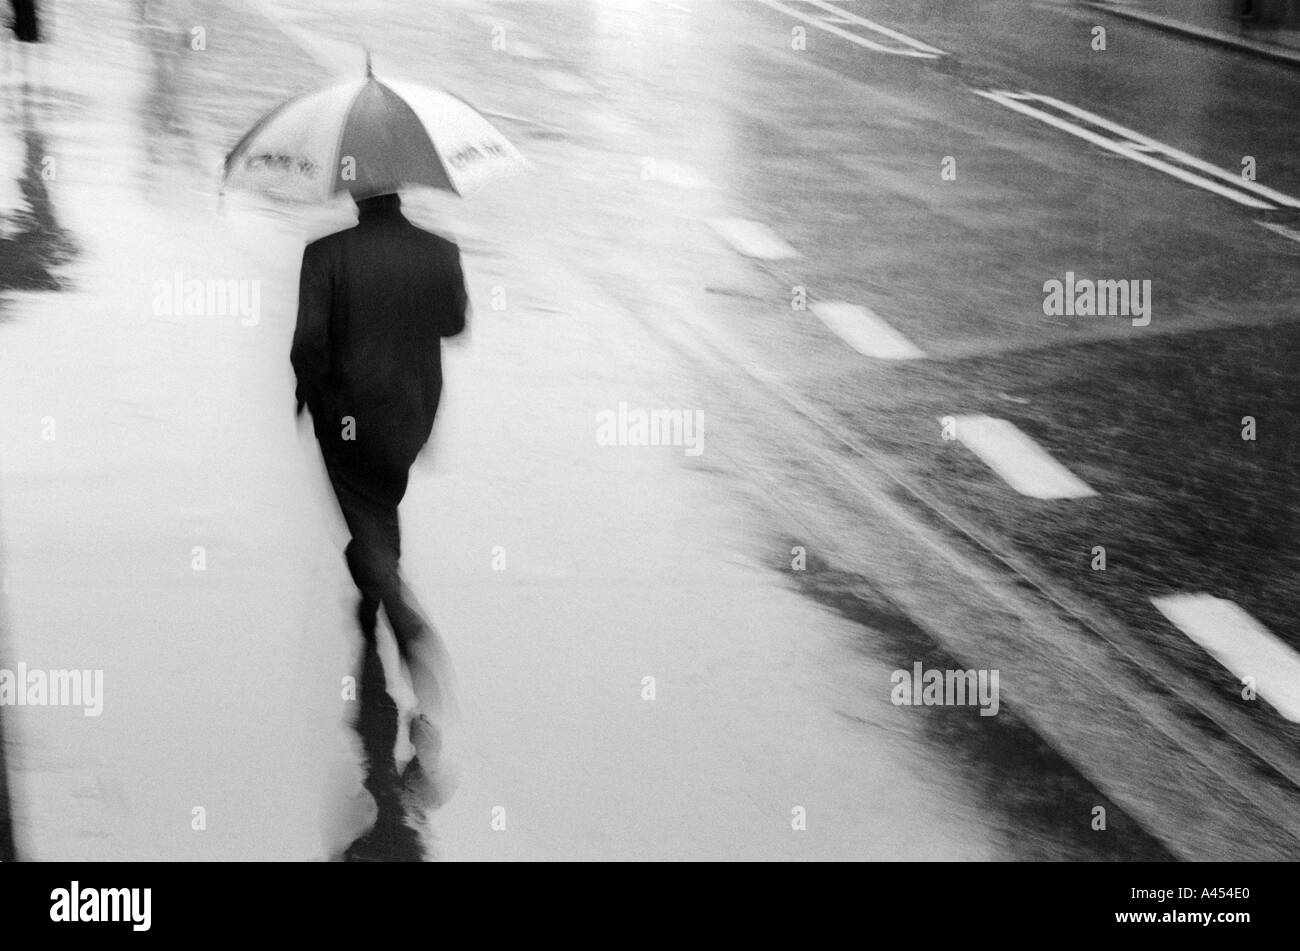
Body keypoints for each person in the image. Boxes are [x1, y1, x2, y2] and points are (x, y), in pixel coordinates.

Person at [292, 190, 467, 807]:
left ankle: (402, 617)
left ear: (355, 193)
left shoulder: (325, 255)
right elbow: (454, 323)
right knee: (378, 509)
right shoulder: (439, 252)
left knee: (366, 526)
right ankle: (374, 586)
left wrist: (309, 400)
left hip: (347, 423)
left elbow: (307, 348)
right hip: (408, 420)